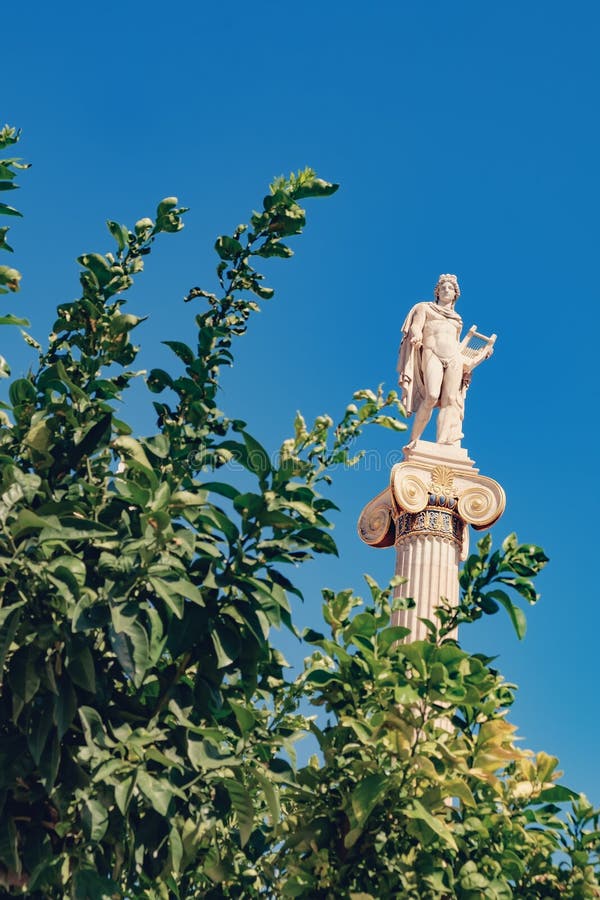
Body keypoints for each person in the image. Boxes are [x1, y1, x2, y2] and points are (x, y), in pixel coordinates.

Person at [397, 274, 469, 447]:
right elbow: (415, 325)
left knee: (450, 400)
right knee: (431, 396)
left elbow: (458, 344)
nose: (446, 290)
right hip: (432, 353)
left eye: (450, 288)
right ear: (437, 292)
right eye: (443, 287)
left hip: (454, 358)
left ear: (455, 295)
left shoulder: (457, 320)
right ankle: (414, 440)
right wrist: (416, 335)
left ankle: (444, 443)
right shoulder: (425, 308)